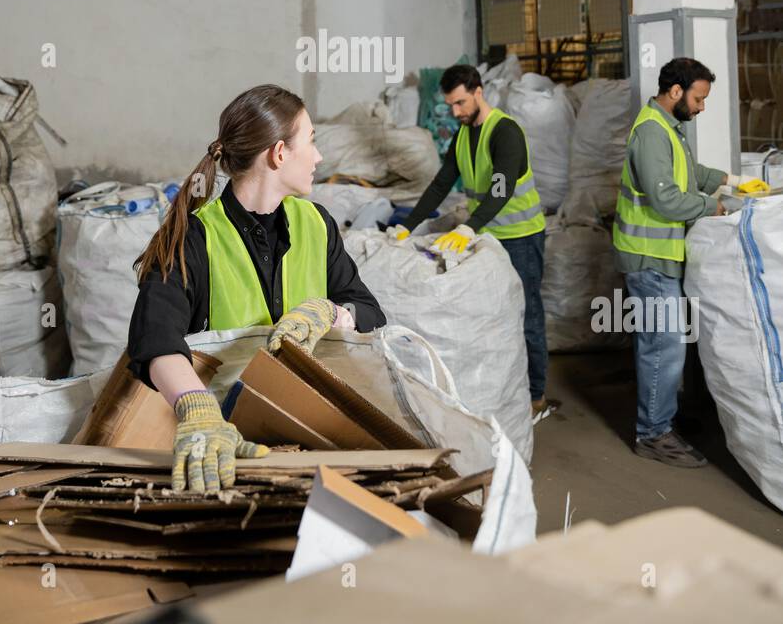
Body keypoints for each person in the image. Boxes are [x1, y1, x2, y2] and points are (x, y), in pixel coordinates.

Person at [127, 84, 386, 494]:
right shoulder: (195, 236)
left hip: (307, 430)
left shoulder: (316, 223)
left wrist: (328, 313)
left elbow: (368, 308)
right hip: (223, 445)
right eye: (312, 142)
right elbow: (154, 336)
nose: (318, 157)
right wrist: (198, 411)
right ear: (279, 154)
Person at [392, 63, 554, 422]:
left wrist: (469, 227)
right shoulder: (463, 135)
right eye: (450, 105)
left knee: (527, 314)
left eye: (461, 103)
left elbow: (501, 186)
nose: (455, 112)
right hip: (488, 237)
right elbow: (440, 184)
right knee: (496, 314)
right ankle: (506, 390)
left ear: (479, 92)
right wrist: (409, 225)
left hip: (521, 237)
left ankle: (536, 395)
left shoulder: (505, 132)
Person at [613, 56, 748, 468]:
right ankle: (652, 433)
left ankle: (663, 417)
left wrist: (732, 181)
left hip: (664, 255)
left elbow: (687, 173)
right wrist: (716, 207)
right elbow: (667, 198)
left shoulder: (669, 128)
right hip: (649, 256)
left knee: (669, 344)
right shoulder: (652, 132)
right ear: (676, 92)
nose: (703, 107)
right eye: (700, 98)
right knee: (662, 346)